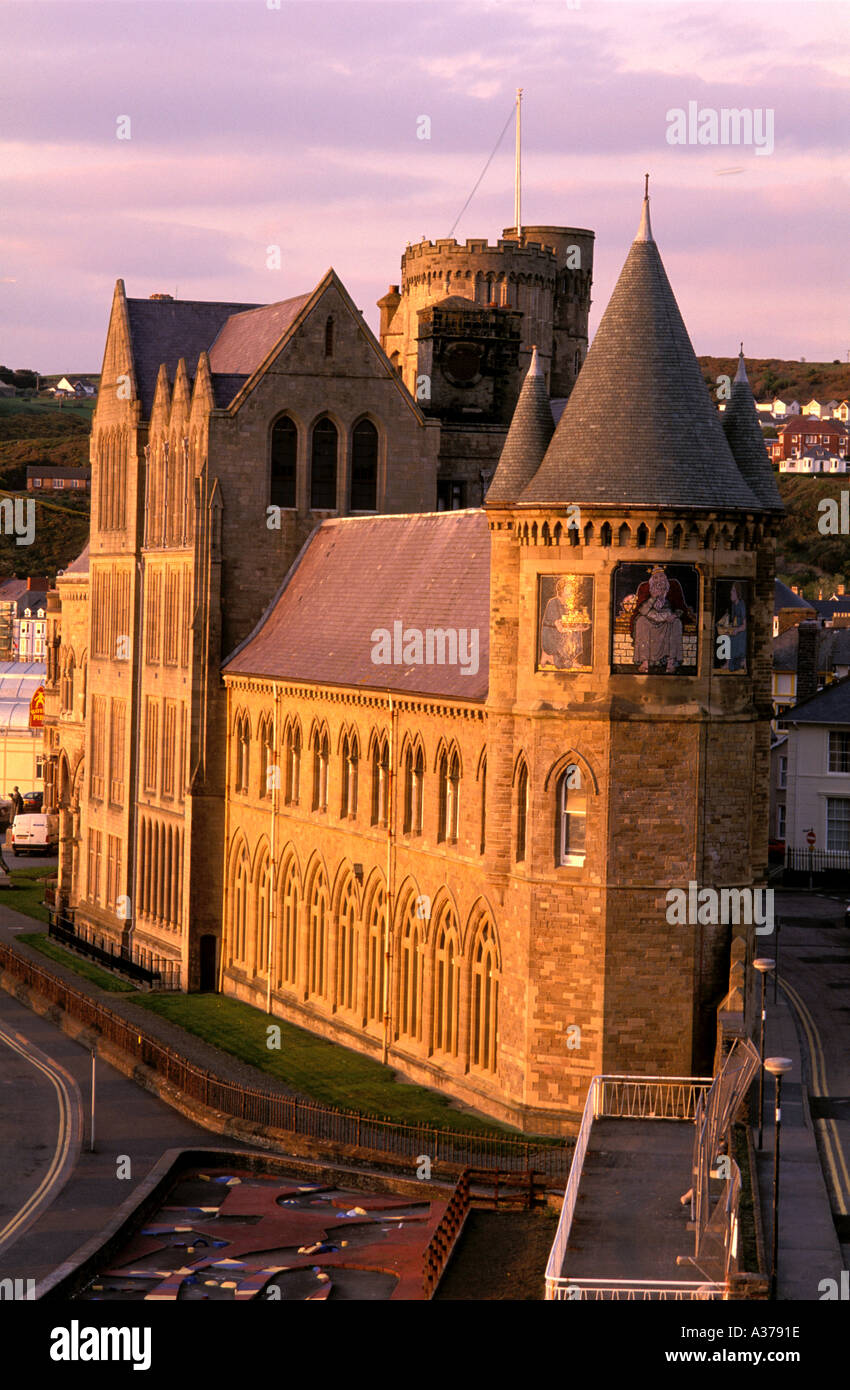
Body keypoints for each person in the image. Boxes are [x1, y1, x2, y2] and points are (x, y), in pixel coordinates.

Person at [631, 566, 694, 674]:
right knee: (641, 621)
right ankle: (645, 662)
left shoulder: (672, 587)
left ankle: (671, 662)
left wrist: (674, 615)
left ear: (665, 579)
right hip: (650, 619)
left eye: (661, 577)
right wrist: (653, 597)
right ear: (652, 581)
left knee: (676, 623)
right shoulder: (646, 589)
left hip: (667, 620)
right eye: (656, 578)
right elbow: (642, 610)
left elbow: (680, 608)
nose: (659, 581)